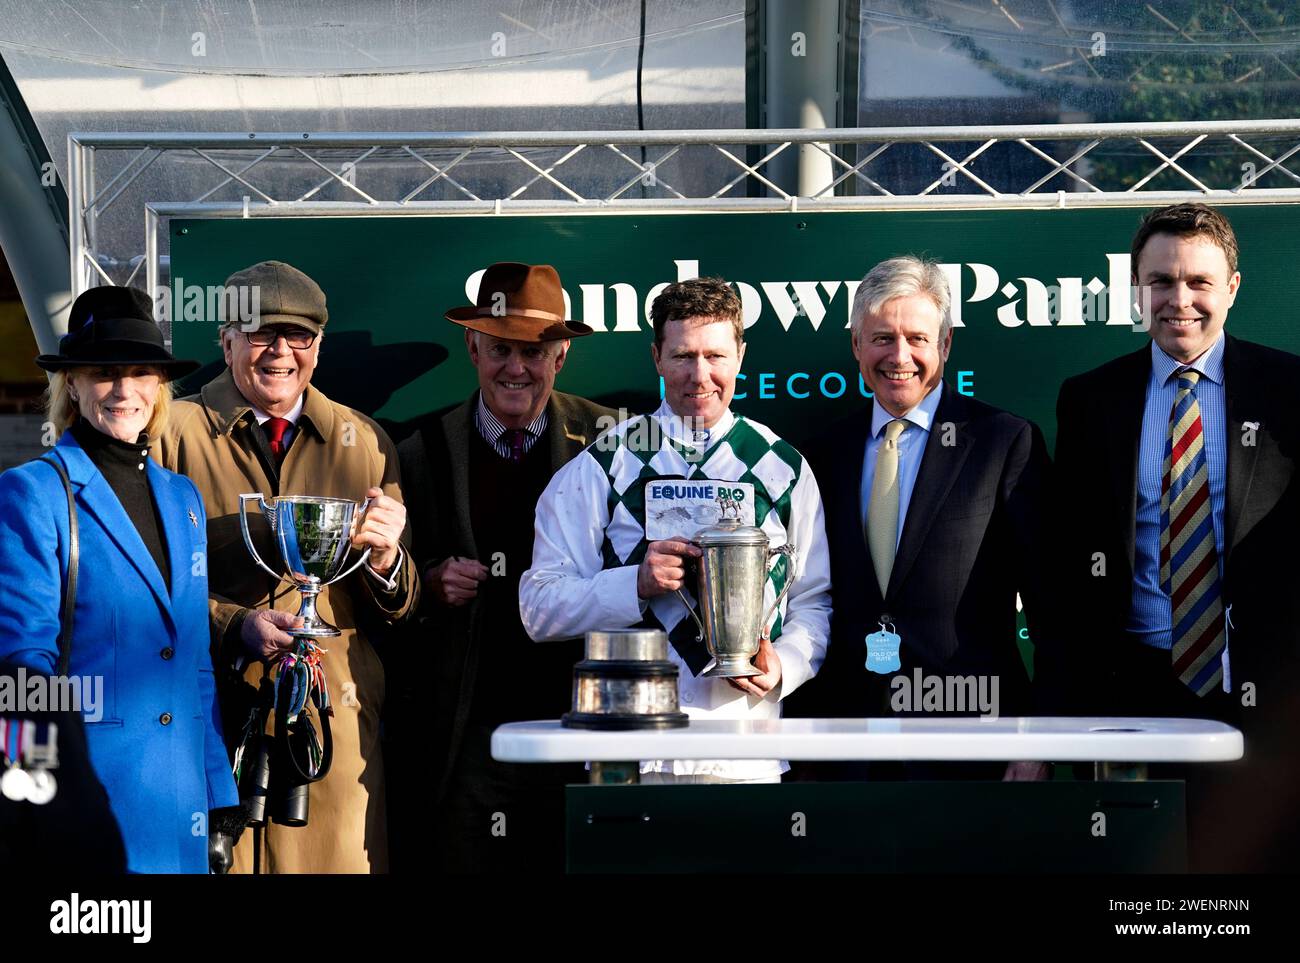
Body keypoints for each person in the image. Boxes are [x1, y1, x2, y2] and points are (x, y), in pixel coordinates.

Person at [1047, 202, 1300, 871]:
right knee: (1141, 878)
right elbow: (1067, 569)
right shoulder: (1090, 400)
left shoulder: (1291, 392)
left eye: (1198, 282)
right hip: (1131, 692)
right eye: (1161, 282)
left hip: (1262, 696)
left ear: (1233, 289)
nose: (1178, 300)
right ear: (1138, 288)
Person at [155, 260, 417, 873]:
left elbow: (403, 604)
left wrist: (386, 558)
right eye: (258, 333)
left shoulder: (366, 441)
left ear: (318, 348)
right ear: (226, 341)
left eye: (297, 335)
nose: (279, 352)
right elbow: (139, 579)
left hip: (333, 720)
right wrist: (232, 624)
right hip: (208, 714)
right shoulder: (170, 434)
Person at [519, 276, 831, 784]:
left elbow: (813, 603)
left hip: (743, 758)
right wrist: (634, 585)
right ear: (657, 358)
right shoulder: (603, 463)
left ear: (741, 356)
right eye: (683, 356)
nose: (699, 375)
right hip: (626, 757)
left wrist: (784, 670)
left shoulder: (782, 467)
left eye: (715, 356)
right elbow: (538, 608)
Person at [787, 255, 1053, 782]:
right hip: (843, 750)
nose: (899, 356)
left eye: (917, 338)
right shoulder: (819, 455)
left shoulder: (1005, 442)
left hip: (971, 742)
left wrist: (1037, 741)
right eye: (882, 338)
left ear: (946, 344)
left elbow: (1054, 610)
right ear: (856, 346)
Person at [0, 285, 238, 873]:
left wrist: (216, 792)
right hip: (90, 798)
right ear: (73, 385)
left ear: (159, 386)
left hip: (181, 805)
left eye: (140, 371)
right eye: (105, 372)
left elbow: (195, 660)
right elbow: (22, 661)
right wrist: (46, 789)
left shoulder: (181, 497)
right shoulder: (32, 492)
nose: (124, 389)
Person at [394, 261, 614, 872]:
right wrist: (430, 582)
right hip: (470, 729)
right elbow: (388, 584)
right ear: (472, 347)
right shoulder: (420, 452)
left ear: (562, 354)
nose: (516, 368)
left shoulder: (610, 442)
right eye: (500, 350)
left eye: (534, 351)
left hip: (585, 720)